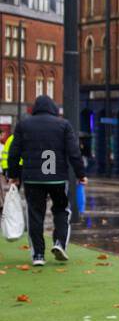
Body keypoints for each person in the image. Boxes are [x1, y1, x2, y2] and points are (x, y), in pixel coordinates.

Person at [3, 94, 86, 265]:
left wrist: (13, 175)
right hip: (57, 179)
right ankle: (60, 243)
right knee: (62, 211)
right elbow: (74, 152)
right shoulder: (63, 125)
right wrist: (80, 174)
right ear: (54, 109)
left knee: (35, 215)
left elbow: (14, 152)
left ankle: (38, 256)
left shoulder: (23, 125)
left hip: (32, 179)